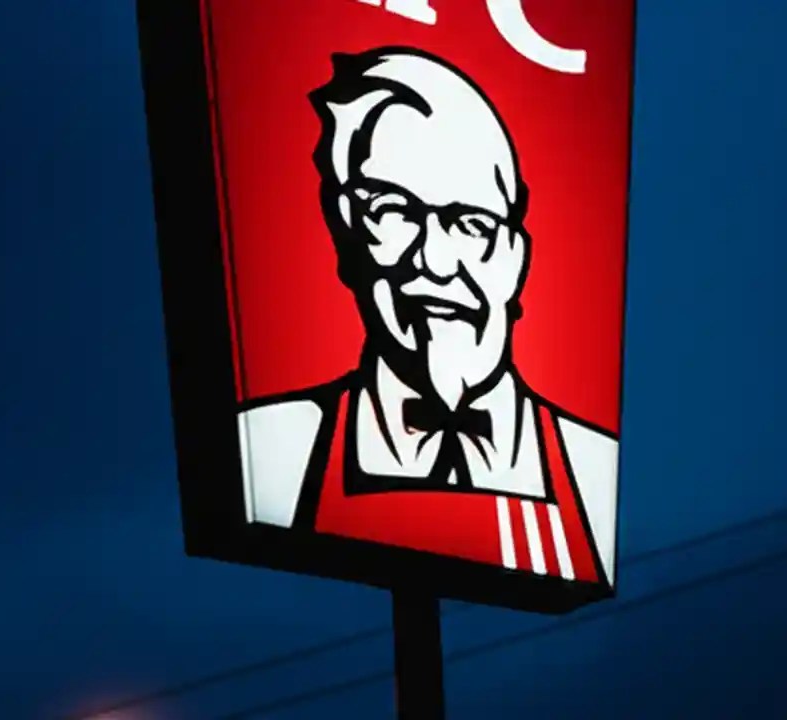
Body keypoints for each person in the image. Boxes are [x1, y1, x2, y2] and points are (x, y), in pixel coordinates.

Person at [236, 47, 618, 587]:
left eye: (471, 224)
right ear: (348, 238)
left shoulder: (591, 466)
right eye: (394, 213)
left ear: (515, 257)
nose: (435, 261)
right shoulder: (276, 448)